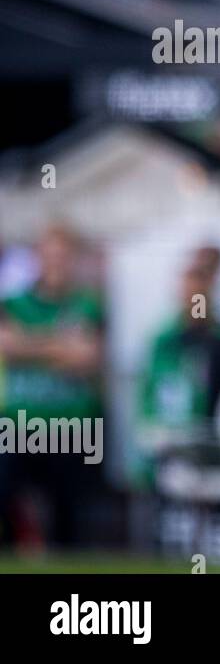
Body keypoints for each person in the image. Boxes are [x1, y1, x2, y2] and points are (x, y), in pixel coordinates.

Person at [0, 223, 104, 549]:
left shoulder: (87, 303)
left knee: (70, 517)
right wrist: (60, 344)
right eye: (50, 256)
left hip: (73, 425)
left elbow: (87, 357)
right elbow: (6, 346)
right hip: (18, 424)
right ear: (37, 258)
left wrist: (29, 344)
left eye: (63, 256)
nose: (56, 263)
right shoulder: (14, 302)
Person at [134, 245, 220, 488]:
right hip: (170, 448)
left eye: (203, 285)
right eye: (189, 287)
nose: (195, 294)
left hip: (213, 451)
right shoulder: (166, 339)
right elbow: (149, 395)